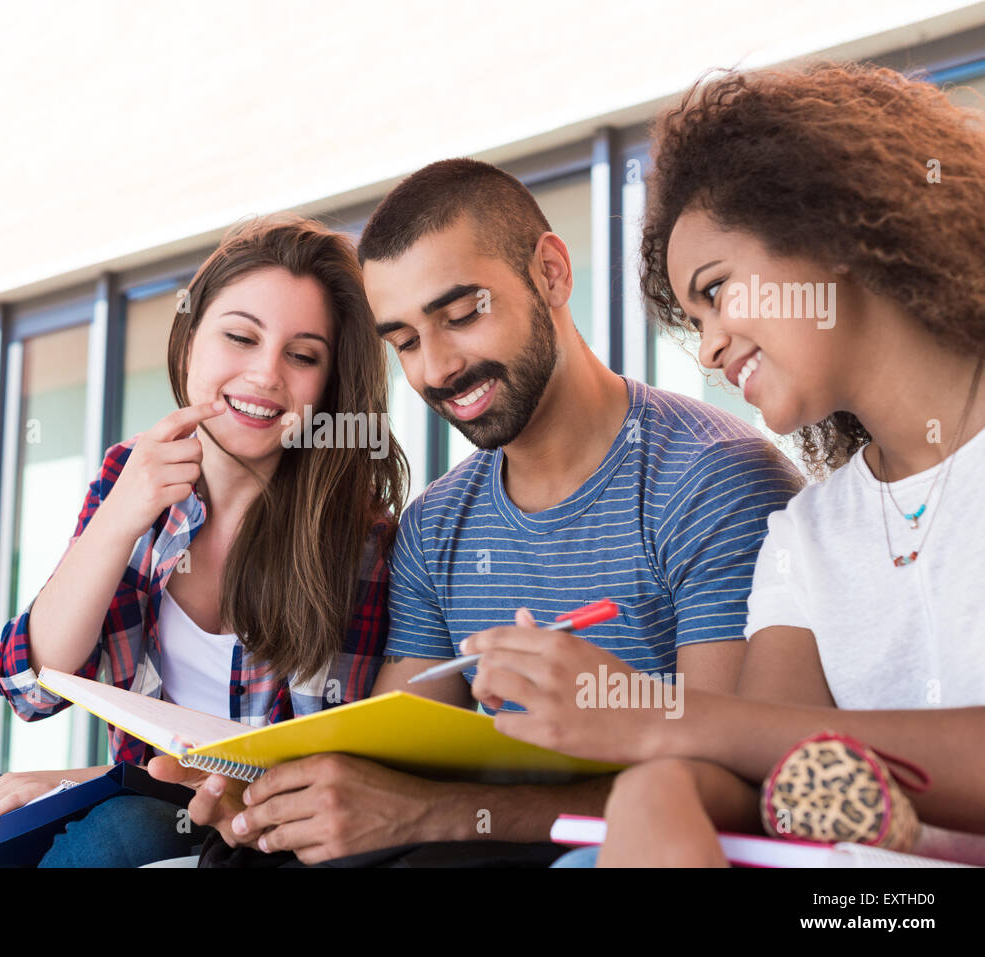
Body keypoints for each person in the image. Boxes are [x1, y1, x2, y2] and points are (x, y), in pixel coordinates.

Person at [158, 158, 803, 866]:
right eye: (403, 340)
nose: (436, 368)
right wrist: (273, 795)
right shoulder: (436, 525)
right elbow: (388, 763)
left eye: (462, 314)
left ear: (552, 273)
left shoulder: (714, 481)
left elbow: (735, 783)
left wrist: (444, 812)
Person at [467, 63, 985, 867]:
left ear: (832, 230)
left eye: (716, 291)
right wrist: (654, 782)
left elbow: (744, 732)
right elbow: (761, 766)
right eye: (692, 317)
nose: (707, 348)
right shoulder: (806, 533)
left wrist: (659, 716)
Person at [0, 214, 407, 867]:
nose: (266, 373)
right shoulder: (128, 477)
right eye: (241, 337)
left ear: (326, 387)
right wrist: (122, 512)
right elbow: (29, 686)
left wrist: (60, 781)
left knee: (121, 829)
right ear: (190, 343)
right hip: (128, 810)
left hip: (246, 840)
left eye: (302, 355)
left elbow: (309, 780)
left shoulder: (361, 541)